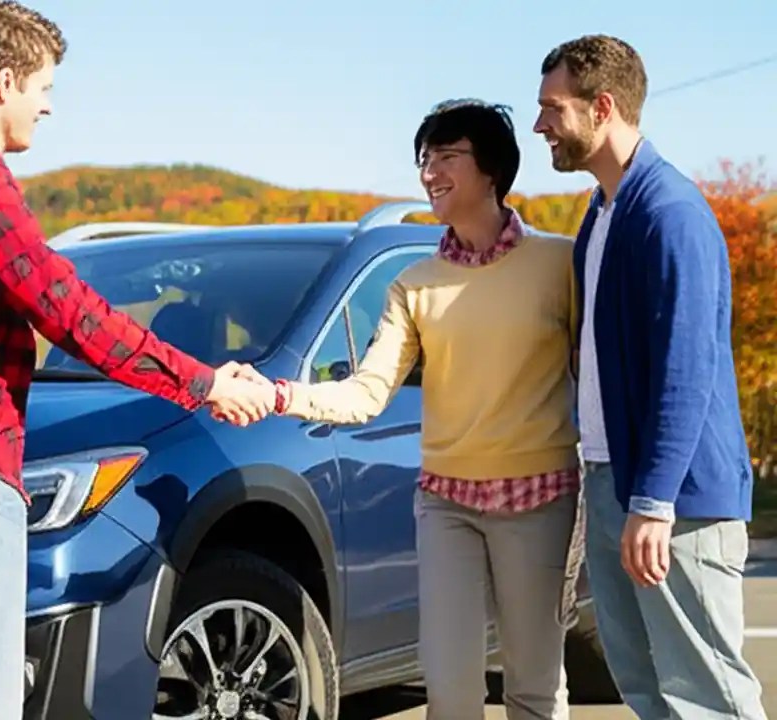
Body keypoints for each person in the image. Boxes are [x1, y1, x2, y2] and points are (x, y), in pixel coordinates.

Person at [0, 2, 273, 717]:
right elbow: (68, 310)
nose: (48, 108)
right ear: (6, 80)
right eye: (44, 89)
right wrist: (200, 382)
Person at [234, 99, 583, 719]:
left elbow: (599, 375)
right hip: (447, 504)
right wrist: (279, 395)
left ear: (493, 170)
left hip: (541, 500)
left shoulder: (560, 264)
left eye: (447, 157)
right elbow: (366, 393)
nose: (430, 173)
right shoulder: (414, 284)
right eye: (424, 160)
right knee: (449, 691)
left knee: (532, 686)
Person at [534, 34, 766, 718]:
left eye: (553, 107)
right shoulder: (602, 211)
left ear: (602, 106)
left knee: (707, 698)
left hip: (676, 505)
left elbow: (686, 374)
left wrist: (655, 502)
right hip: (613, 484)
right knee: (644, 691)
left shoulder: (670, 214)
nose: (541, 124)